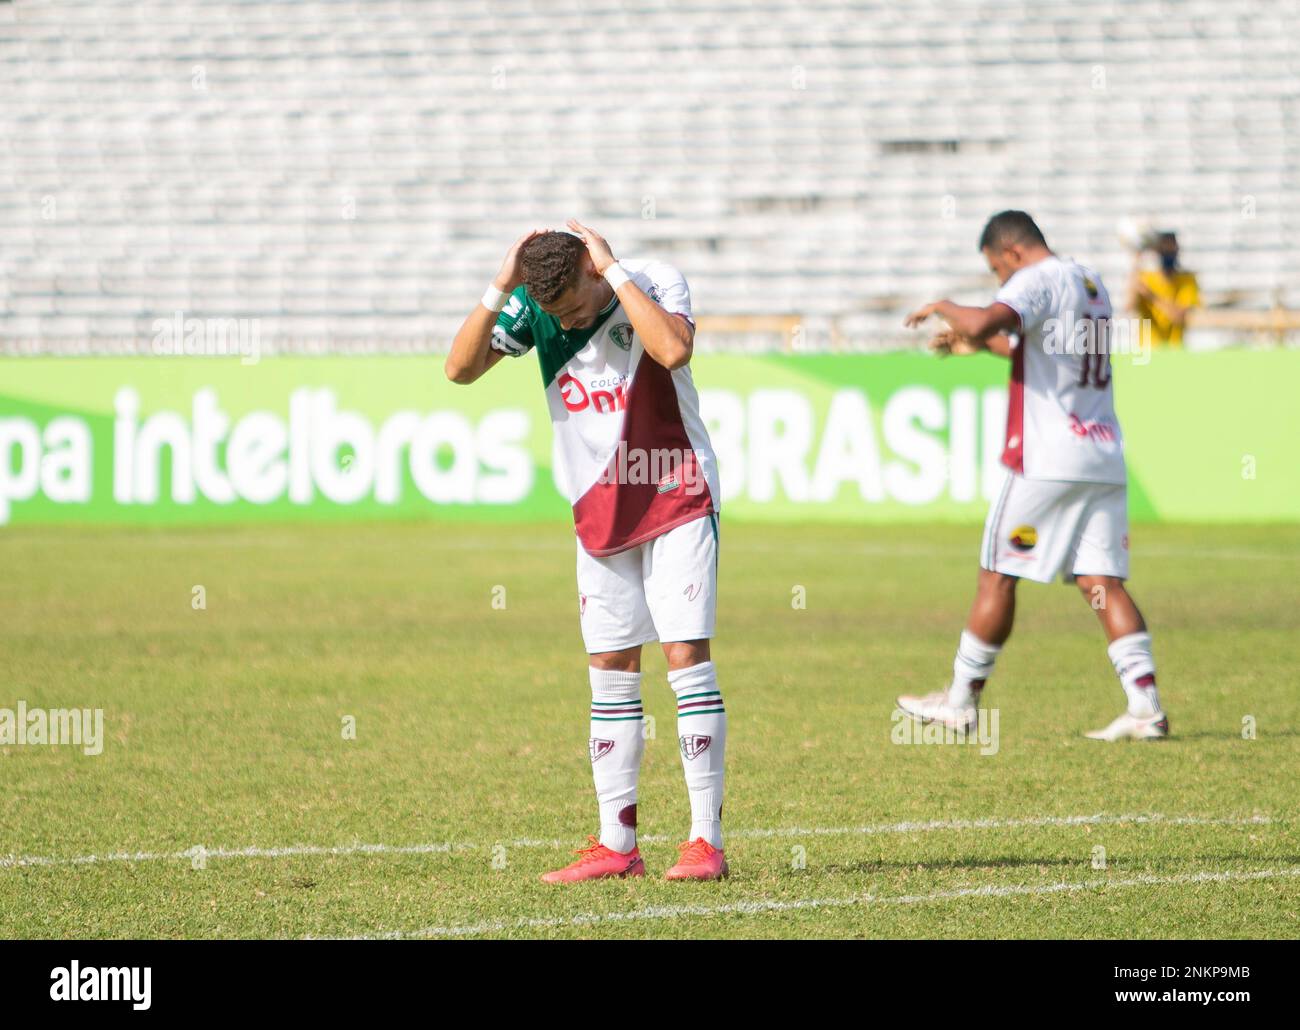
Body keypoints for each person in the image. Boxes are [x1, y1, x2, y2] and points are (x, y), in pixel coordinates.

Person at [445, 221, 729, 882]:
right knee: (610, 664)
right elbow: (459, 370)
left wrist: (614, 271)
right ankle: (617, 844)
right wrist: (500, 283)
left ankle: (705, 842)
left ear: (595, 268)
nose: (567, 320)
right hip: (598, 507)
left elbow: (674, 351)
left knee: (684, 652)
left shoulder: (652, 279)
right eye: (557, 313)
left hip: (675, 491)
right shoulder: (536, 307)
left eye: (575, 303)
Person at [897, 210, 1169, 742]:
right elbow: (1040, 350)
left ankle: (960, 701)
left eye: (998, 269)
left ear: (1012, 252)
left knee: (998, 571)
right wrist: (969, 342)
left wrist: (943, 307)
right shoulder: (1088, 282)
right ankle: (1146, 706)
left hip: (1048, 459)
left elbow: (982, 320)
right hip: (1102, 453)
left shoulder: (1035, 279)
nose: (1001, 282)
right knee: (1101, 581)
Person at [1128, 231, 1200, 347]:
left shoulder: (1187, 280)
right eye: (1164, 248)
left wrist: (1151, 296)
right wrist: (1136, 260)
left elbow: (1179, 317)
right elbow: (1129, 306)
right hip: (1148, 352)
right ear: (1157, 252)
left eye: (1171, 248)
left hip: (1175, 352)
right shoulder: (1146, 278)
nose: (1168, 252)